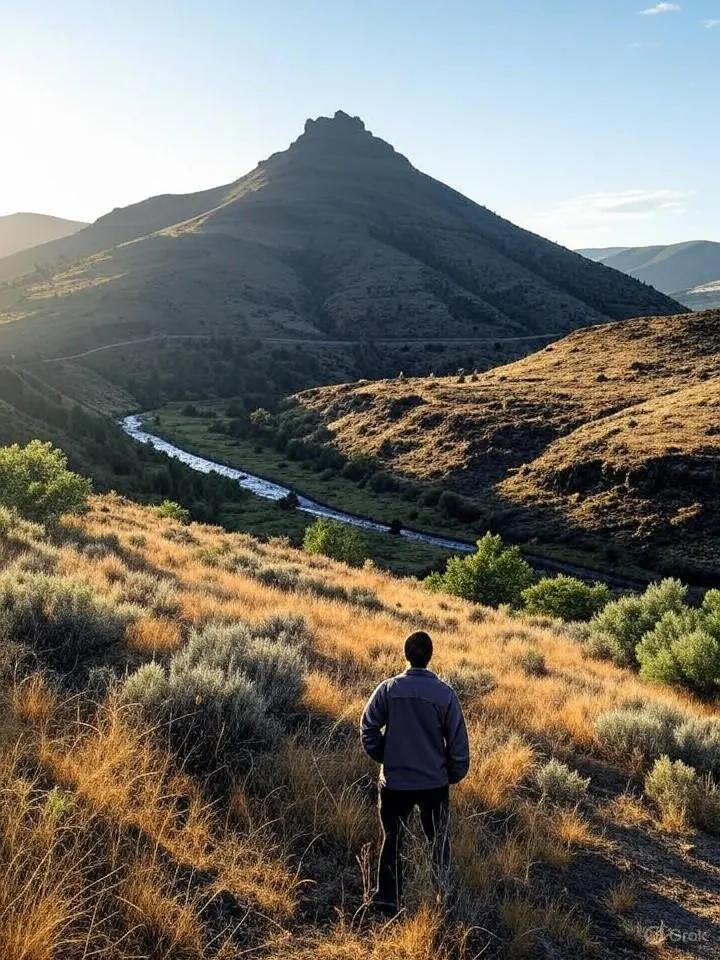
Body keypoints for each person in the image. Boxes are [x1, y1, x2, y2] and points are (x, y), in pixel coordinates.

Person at [360, 630, 470, 914]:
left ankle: (387, 900)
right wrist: (452, 773)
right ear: (430, 656)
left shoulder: (388, 689)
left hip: (395, 782)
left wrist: (385, 756)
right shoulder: (445, 695)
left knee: (392, 839)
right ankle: (443, 898)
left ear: (406, 654)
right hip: (434, 783)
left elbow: (368, 727)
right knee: (438, 841)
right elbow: (458, 743)